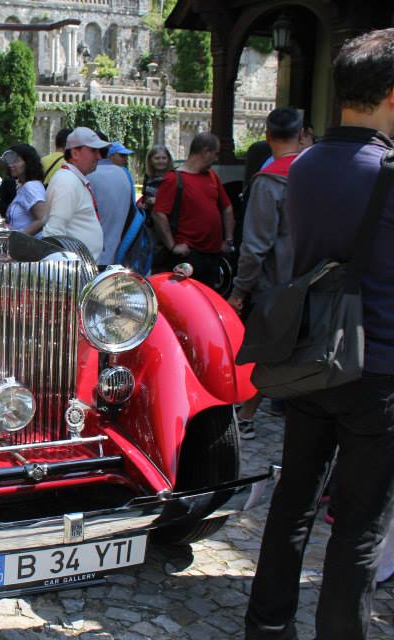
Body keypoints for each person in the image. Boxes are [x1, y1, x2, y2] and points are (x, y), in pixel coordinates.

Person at [244, 28, 394, 640]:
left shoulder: (303, 166)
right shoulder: (384, 169)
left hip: (311, 359)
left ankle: (268, 626)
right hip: (378, 365)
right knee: (358, 525)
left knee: (292, 502)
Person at [226, 107, 303, 439]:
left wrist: (240, 290)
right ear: (301, 136)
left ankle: (245, 414)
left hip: (275, 285)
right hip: (314, 280)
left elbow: (255, 246)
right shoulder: (315, 175)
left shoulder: (269, 181)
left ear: (268, 136)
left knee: (262, 351)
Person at [151, 132, 235, 285]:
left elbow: (227, 207)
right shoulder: (173, 179)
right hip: (189, 255)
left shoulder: (212, 176)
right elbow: (159, 214)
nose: (216, 159)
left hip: (213, 255)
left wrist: (228, 240)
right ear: (205, 152)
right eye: (215, 154)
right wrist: (172, 246)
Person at [42, 127, 107, 259]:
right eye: (93, 150)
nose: (99, 156)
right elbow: (53, 233)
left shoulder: (71, 178)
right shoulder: (67, 181)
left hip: (80, 270)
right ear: (75, 153)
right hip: (75, 273)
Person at [88, 140, 134, 264]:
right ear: (111, 155)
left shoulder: (89, 174)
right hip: (115, 254)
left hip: (92, 255)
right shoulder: (125, 175)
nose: (125, 160)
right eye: (122, 156)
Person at [1, 143, 47, 235]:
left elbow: (42, 219)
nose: (11, 165)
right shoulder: (25, 185)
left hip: (28, 246)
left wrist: (18, 237)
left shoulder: (31, 187)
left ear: (28, 163)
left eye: (16, 160)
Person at [140, 145, 173, 213]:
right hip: (148, 218)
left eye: (164, 158)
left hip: (165, 219)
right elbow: (145, 196)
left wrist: (157, 201)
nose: (161, 161)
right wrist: (141, 203)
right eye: (157, 158)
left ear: (168, 160)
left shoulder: (173, 177)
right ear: (150, 161)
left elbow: (176, 199)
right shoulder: (148, 176)